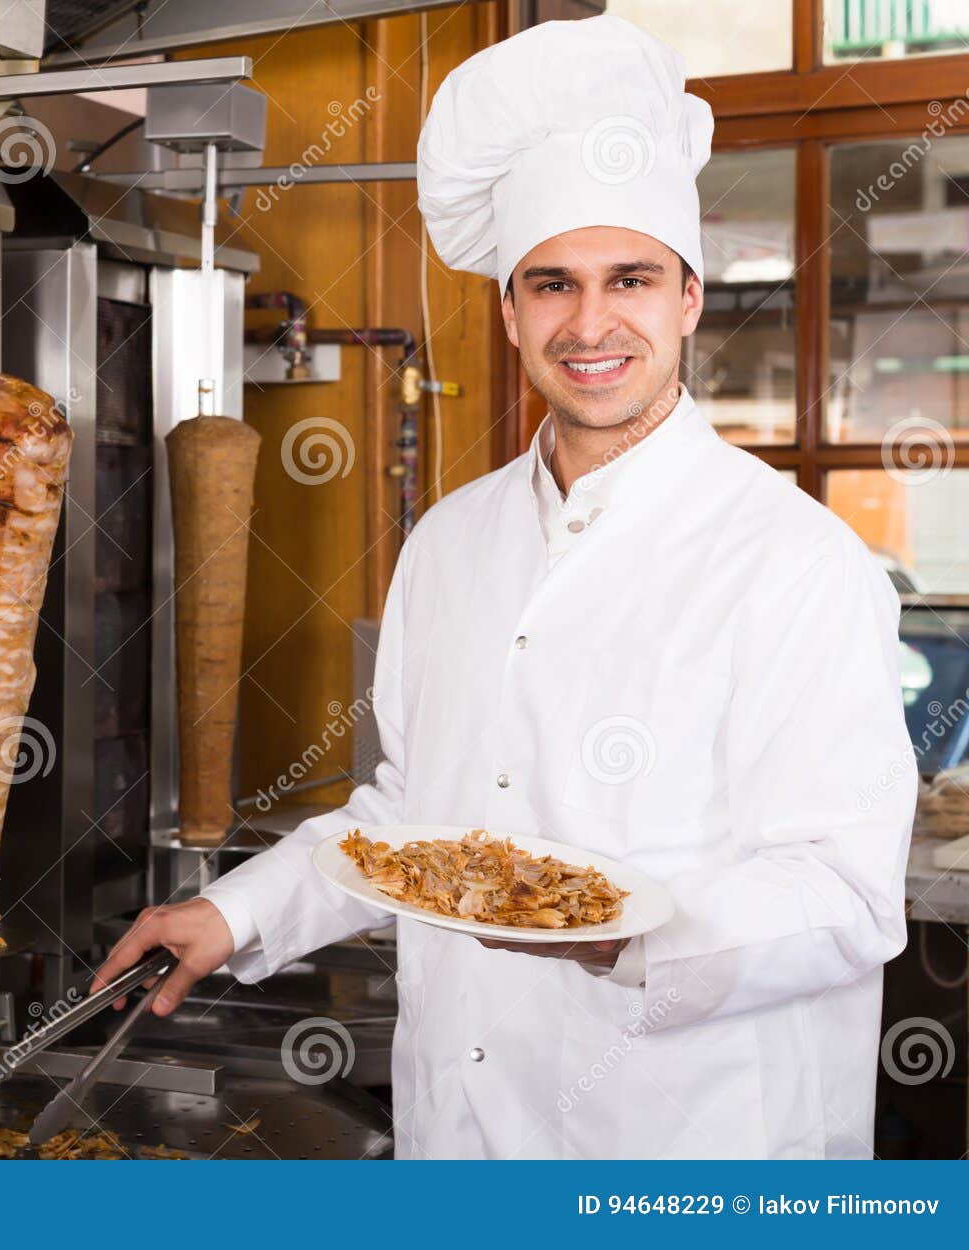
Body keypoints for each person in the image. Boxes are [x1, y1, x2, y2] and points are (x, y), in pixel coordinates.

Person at [93, 13, 916, 1159]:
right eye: (552, 284)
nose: (589, 324)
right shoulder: (450, 540)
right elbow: (411, 820)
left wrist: (624, 936)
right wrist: (233, 913)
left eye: (628, 279)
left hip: (691, 1144)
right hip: (464, 1135)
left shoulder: (792, 558)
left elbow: (849, 892)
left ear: (686, 296)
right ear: (509, 309)